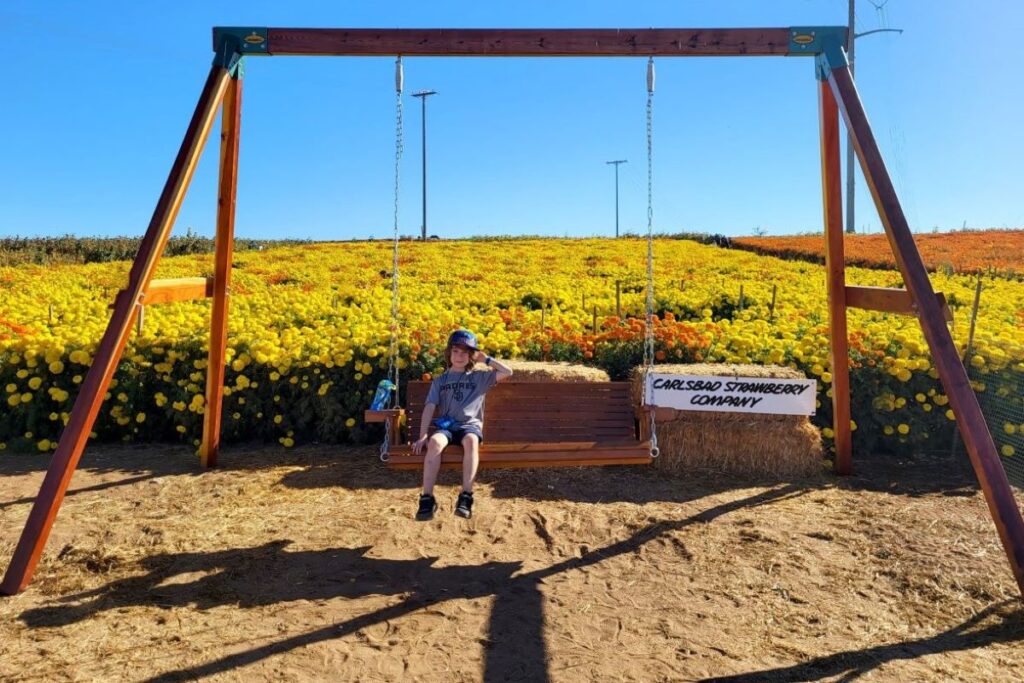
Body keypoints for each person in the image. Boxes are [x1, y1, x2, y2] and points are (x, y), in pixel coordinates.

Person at [412, 329, 513, 520]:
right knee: (434, 443)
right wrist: (423, 435)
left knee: (471, 442)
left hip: (469, 426)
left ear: (471, 355)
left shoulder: (478, 378)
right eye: (456, 351)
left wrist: (487, 360)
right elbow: (429, 407)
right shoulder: (440, 381)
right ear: (449, 354)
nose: (459, 356)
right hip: (447, 427)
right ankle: (427, 498)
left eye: (465, 352)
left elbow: (508, 372)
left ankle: (466, 496)